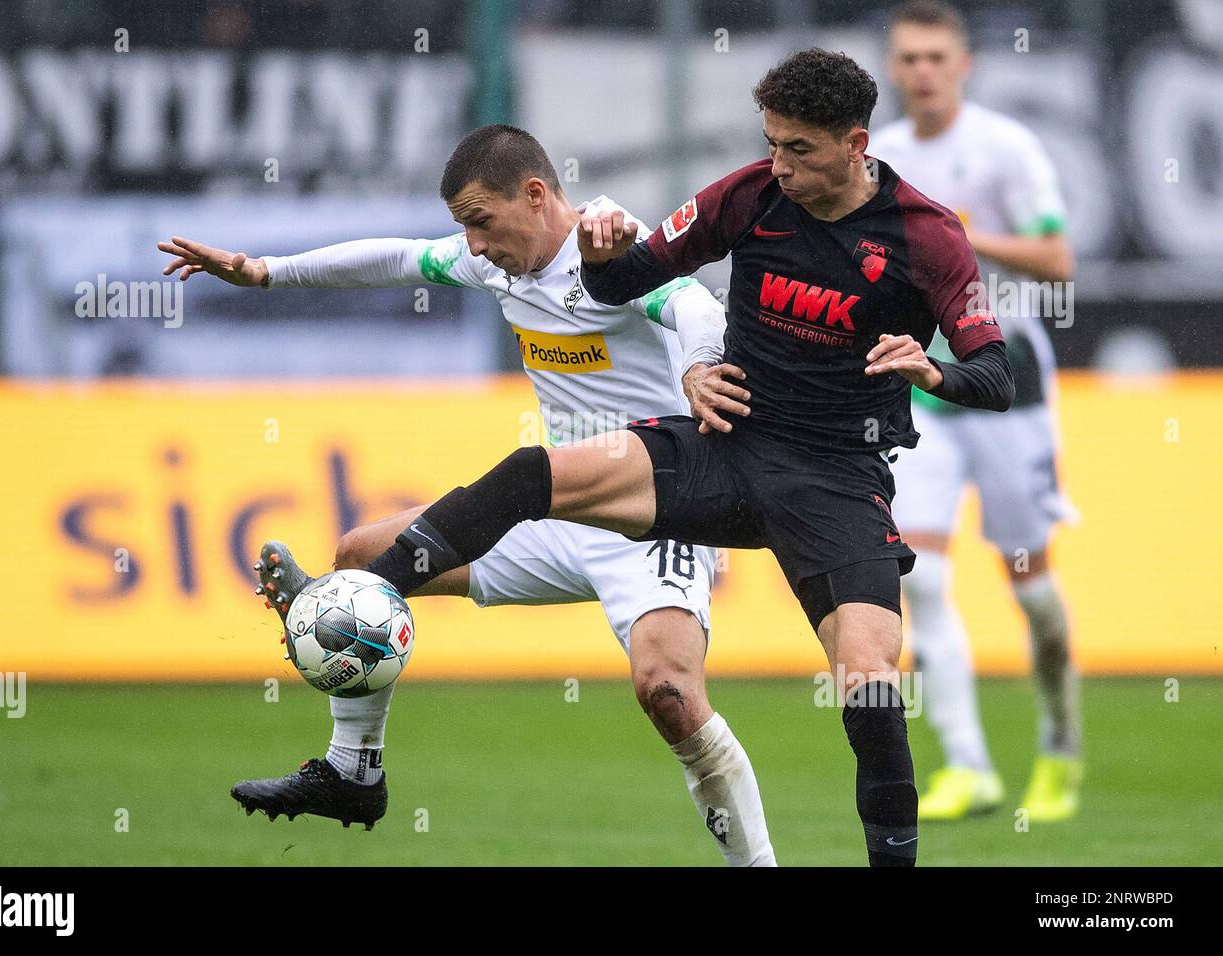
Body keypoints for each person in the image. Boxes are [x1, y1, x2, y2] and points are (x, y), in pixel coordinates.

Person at [326, 49, 1015, 866]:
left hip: (836, 480)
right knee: (536, 473)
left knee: (869, 682)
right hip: (726, 445)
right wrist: (607, 250)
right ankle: (362, 602)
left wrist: (932, 367)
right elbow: (627, 284)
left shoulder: (925, 236)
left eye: (798, 150)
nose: (780, 166)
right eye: (771, 144)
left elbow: (999, 374)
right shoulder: (747, 195)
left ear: (855, 142)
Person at [158, 124, 777, 866]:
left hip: (654, 507)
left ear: (537, 195)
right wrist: (263, 272)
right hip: (553, 509)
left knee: (667, 690)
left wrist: (697, 369)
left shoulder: (611, 251)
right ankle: (354, 771)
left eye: (481, 222)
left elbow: (696, 309)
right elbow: (393, 257)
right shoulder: (497, 267)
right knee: (361, 560)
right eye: (464, 228)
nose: (474, 245)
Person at [870, 0, 1081, 822]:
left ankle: (1059, 743)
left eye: (935, 56)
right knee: (919, 574)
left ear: (963, 64)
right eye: (908, 57)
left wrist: (962, 235)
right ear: (893, 67)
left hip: (1007, 383)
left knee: (1029, 586)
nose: (921, 70)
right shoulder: (880, 157)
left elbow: (1059, 261)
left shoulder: (1005, 147)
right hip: (925, 385)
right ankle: (970, 766)